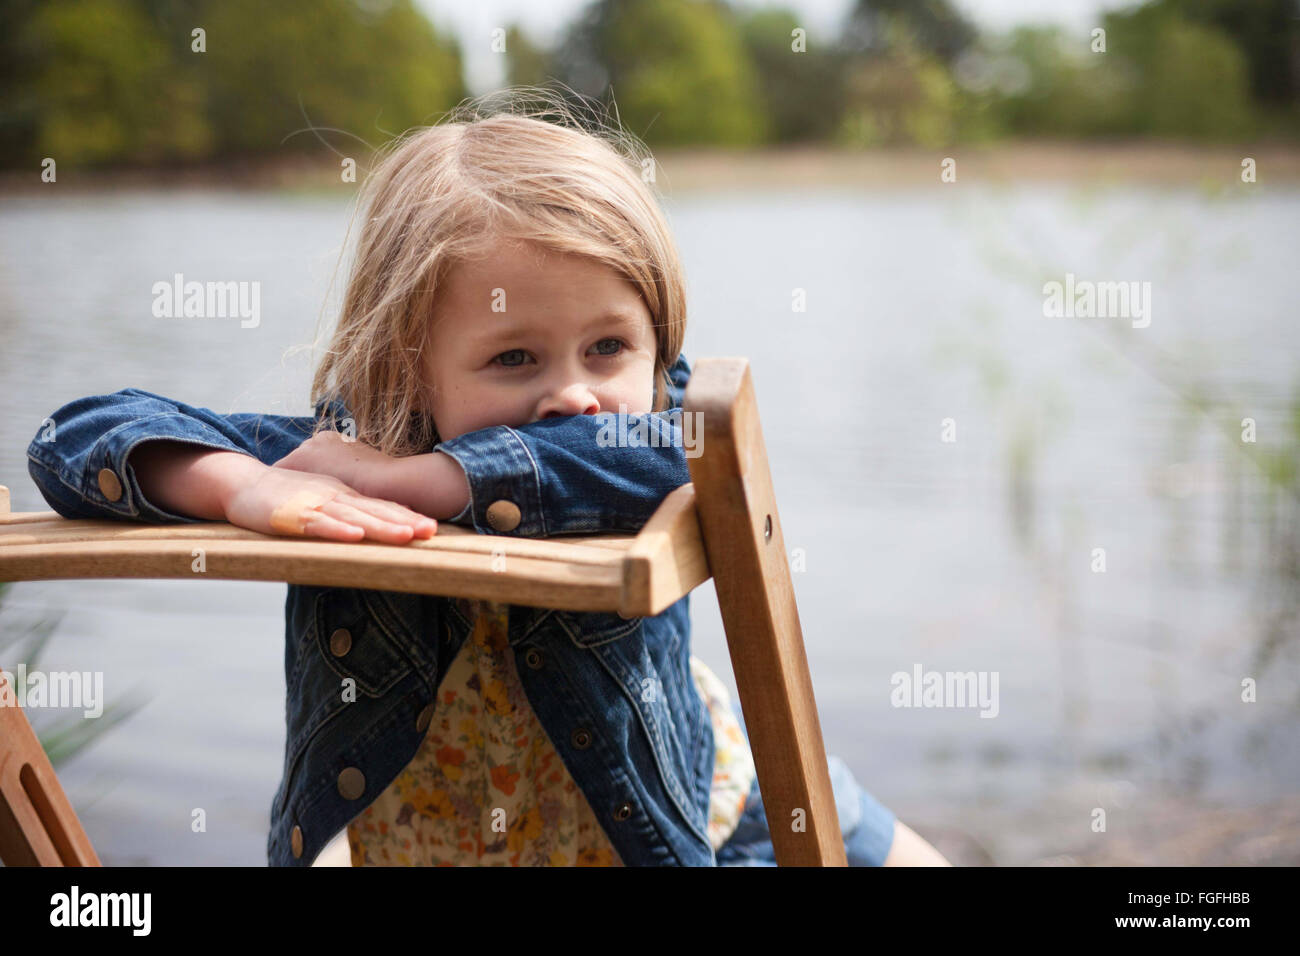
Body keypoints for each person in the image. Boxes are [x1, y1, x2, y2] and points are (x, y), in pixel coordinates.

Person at [26, 87, 949, 867]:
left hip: (682, 810)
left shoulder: (656, 434)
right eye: (514, 357)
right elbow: (75, 436)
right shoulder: (351, 452)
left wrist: (429, 481)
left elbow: (661, 454)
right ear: (408, 370)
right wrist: (239, 487)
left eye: (608, 346)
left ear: (658, 346)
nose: (574, 395)